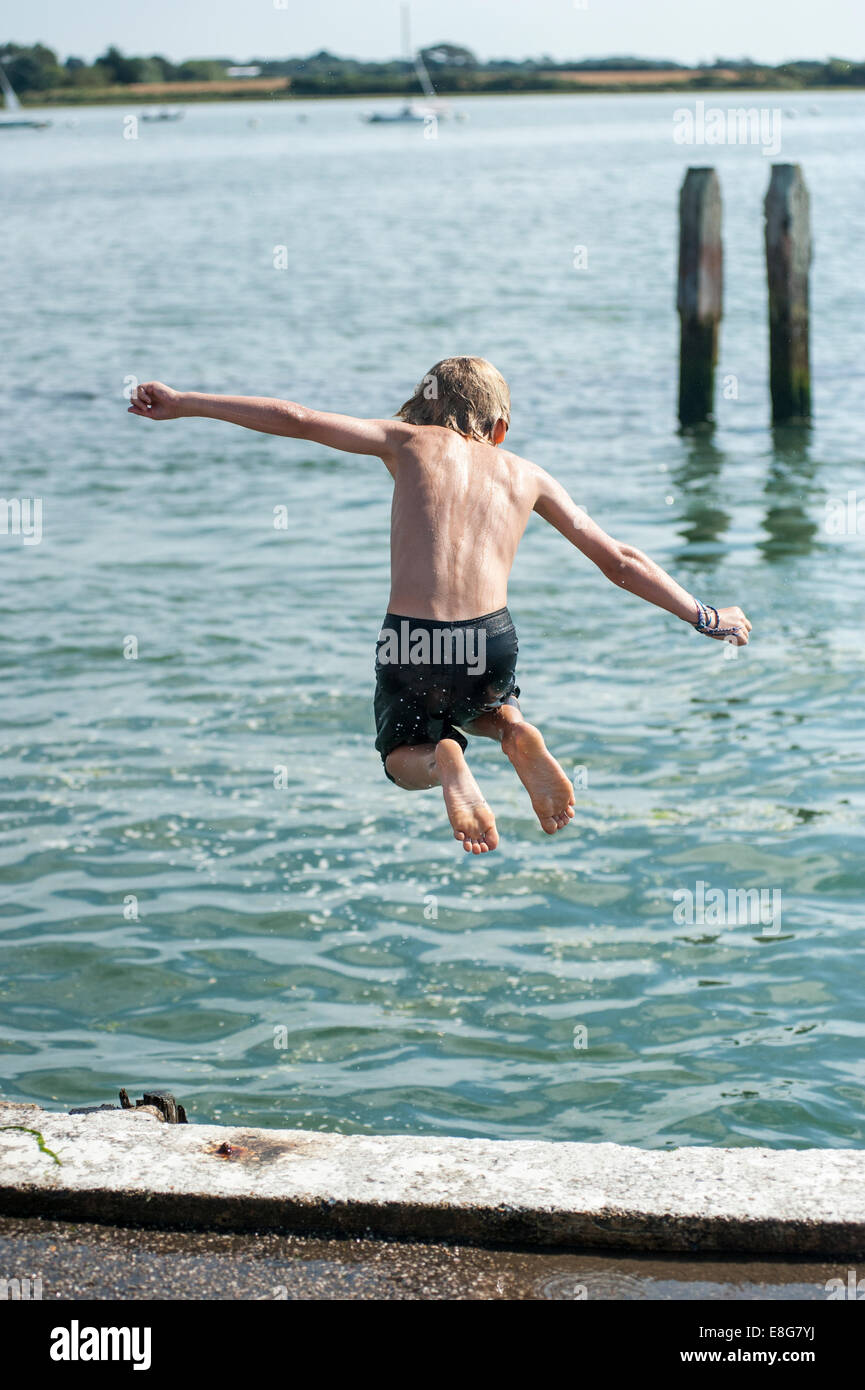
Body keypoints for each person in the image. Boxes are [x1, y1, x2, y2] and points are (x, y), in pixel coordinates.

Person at [129, 357, 751, 855]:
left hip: (411, 640)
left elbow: (295, 416)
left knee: (401, 760)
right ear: (500, 428)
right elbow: (618, 560)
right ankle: (509, 728)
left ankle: (444, 760)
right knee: (490, 703)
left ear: (423, 409)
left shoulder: (404, 441)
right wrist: (704, 615)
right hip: (489, 642)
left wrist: (186, 402)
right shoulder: (526, 474)